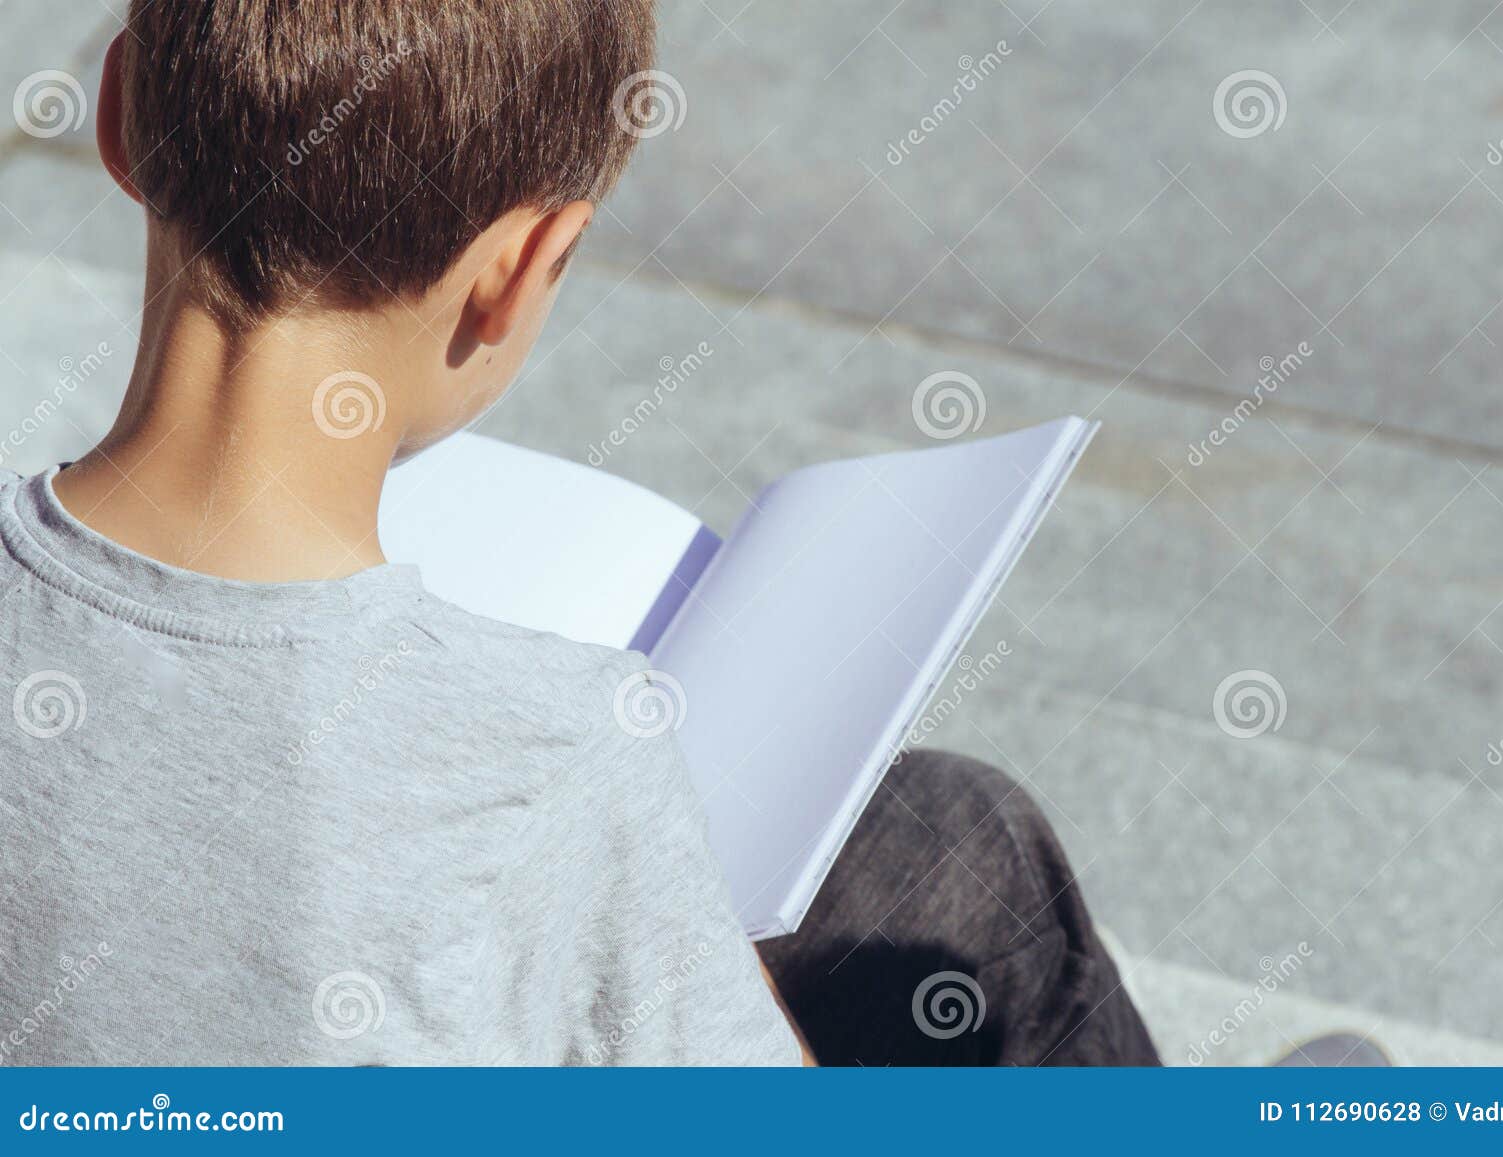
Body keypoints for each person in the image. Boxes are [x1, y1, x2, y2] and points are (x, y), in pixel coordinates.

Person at [0, 0, 1164, 1066]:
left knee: (939, 821)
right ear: (518, 270)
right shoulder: (564, 763)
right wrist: (673, 936)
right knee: (974, 852)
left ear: (119, 118)